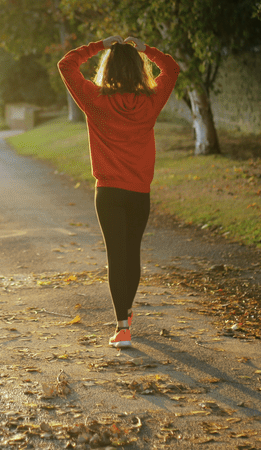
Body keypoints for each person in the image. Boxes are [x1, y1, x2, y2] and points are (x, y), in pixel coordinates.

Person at [57, 35, 180, 348]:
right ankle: (125, 313)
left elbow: (67, 65)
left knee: (116, 256)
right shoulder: (151, 101)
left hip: (109, 192)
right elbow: (172, 69)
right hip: (139, 192)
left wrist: (99, 45)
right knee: (132, 253)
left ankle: (122, 326)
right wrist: (147, 49)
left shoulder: (95, 99)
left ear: (107, 68)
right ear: (139, 69)